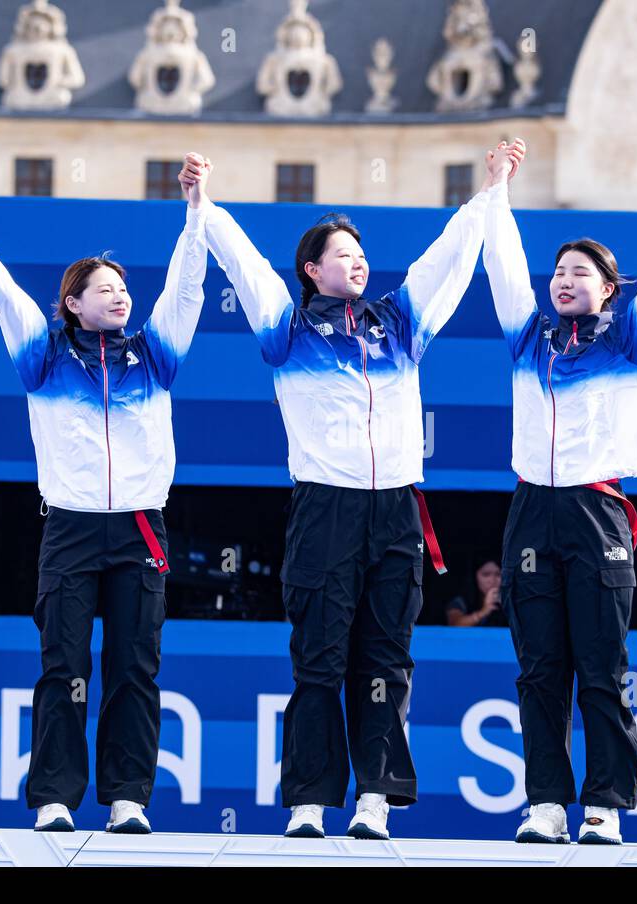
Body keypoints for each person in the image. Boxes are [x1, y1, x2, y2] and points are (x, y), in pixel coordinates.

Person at [201, 142, 517, 840]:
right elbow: (248, 270)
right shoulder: (288, 331)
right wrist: (206, 209)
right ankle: (309, 800)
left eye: (361, 253)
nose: (358, 262)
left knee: (385, 657)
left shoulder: (399, 323)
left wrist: (491, 191)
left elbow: (450, 256)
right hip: (324, 507)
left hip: (397, 508)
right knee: (318, 656)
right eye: (343, 254)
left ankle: (376, 796)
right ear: (313, 270)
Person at [0, 153, 210, 835]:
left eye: (123, 288)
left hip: (140, 528)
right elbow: (4, 293)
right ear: (72, 303)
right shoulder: (44, 356)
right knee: (62, 667)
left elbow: (187, 291)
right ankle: (54, 798)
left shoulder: (154, 356)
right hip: (70, 529)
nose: (119, 296)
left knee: (135, 668)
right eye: (103, 289)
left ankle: (128, 797)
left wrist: (195, 216)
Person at [483, 125, 637, 845]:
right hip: (530, 511)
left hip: (597, 511)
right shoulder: (529, 340)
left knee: (600, 669)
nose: (563, 279)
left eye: (580, 272)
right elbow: (503, 267)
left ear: (608, 289)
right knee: (539, 671)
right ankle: (546, 803)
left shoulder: (631, 341)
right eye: (559, 272)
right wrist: (498, 193)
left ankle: (604, 805)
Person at [446, 559, 507, 627]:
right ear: (474, 577)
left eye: (498, 574)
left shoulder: (511, 600)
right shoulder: (460, 602)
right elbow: (454, 625)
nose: (492, 580)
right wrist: (483, 612)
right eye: (486, 574)